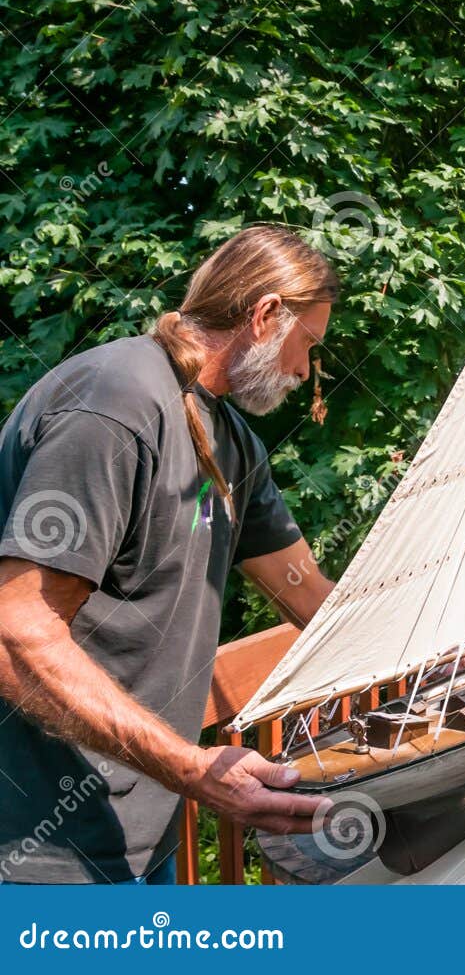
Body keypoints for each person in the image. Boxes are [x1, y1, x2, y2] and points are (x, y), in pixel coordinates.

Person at [0, 226, 342, 884]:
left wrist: (442, 654)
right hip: (38, 853)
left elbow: (306, 593)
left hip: (142, 832)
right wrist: (195, 769)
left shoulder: (231, 441)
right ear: (266, 314)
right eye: (308, 347)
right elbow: (18, 635)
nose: (304, 372)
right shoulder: (116, 403)